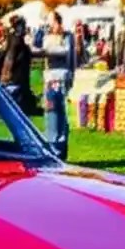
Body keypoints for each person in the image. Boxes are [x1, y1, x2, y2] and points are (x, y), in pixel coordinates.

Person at [34, 12, 76, 158]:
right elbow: (36, 45)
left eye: (52, 22)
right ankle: (52, 143)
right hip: (49, 77)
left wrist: (72, 75)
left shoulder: (67, 37)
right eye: (49, 22)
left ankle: (61, 146)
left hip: (62, 76)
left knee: (61, 112)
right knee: (51, 111)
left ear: (59, 22)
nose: (50, 25)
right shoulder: (46, 36)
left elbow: (70, 56)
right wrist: (40, 29)